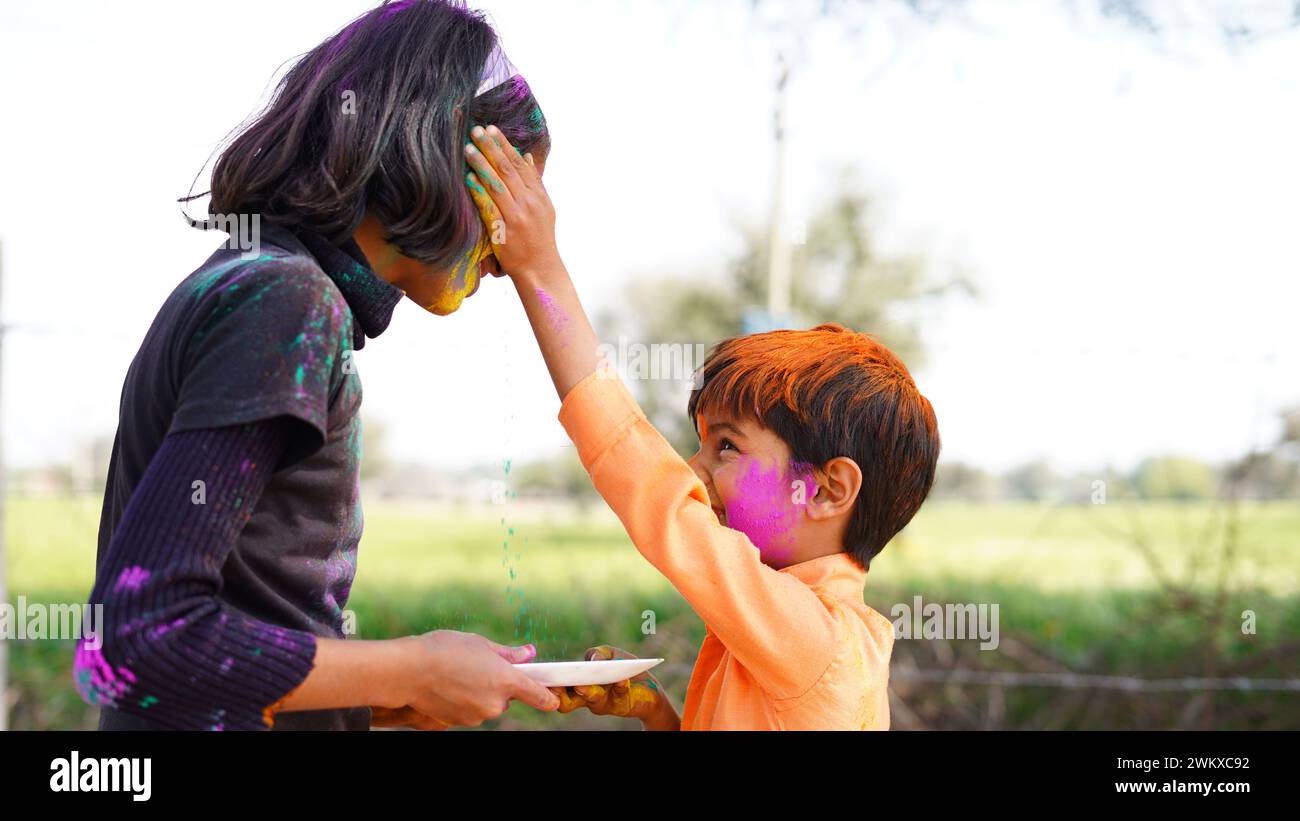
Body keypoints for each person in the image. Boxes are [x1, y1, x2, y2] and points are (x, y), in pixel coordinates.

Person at [75, 0, 560, 731]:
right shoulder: (284, 301)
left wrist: (397, 696)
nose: (516, 243)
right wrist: (416, 665)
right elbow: (136, 642)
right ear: (430, 149)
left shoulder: (254, 279)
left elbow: (235, 632)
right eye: (511, 187)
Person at [461, 123, 942, 729]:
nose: (695, 469)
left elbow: (658, 497)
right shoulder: (800, 635)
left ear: (824, 488)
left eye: (727, 446)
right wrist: (655, 712)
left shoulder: (816, 640)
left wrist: (540, 269)